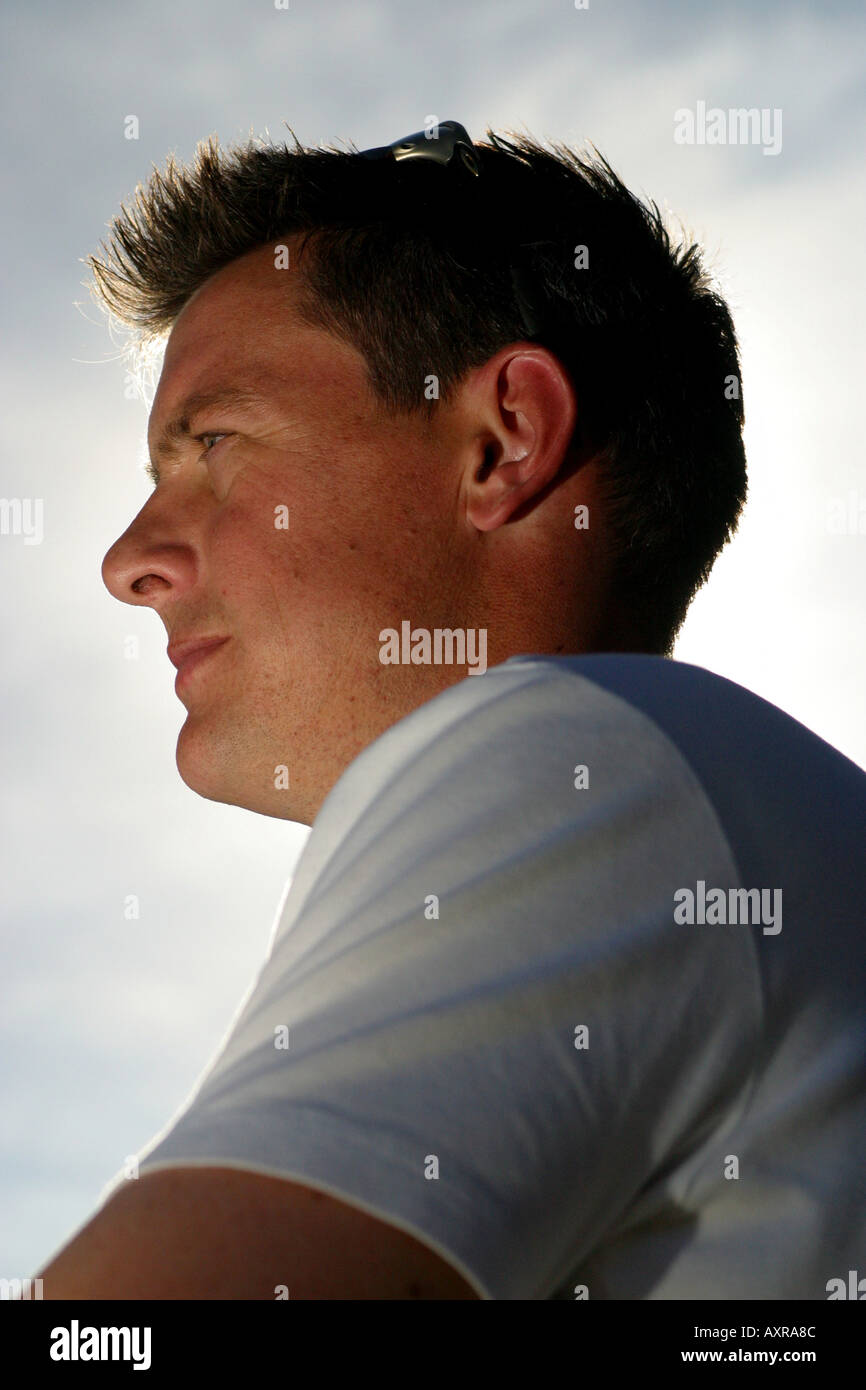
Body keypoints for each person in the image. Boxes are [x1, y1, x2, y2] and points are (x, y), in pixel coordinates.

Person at [36, 121, 865, 1300]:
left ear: (502, 441)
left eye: (215, 442)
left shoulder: (565, 759)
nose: (128, 560)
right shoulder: (727, 808)